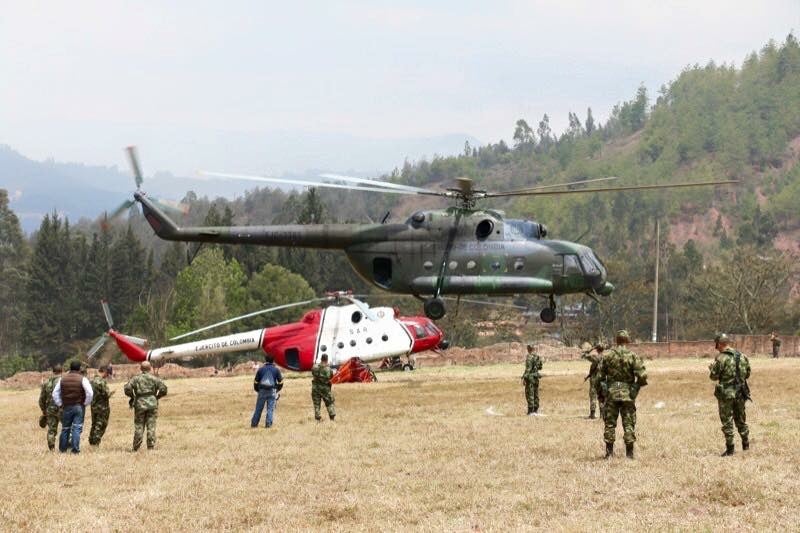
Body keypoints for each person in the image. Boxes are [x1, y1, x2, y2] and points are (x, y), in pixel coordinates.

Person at [598, 330, 647, 459]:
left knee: (609, 423)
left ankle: (609, 454)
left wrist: (605, 391)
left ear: (616, 340)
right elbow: (643, 376)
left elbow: (600, 378)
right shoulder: (632, 356)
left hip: (611, 394)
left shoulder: (607, 356)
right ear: (628, 340)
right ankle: (629, 455)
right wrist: (634, 389)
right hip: (627, 395)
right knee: (629, 423)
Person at [710, 333, 751, 456]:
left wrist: (712, 368)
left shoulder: (721, 358)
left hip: (726, 394)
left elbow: (714, 376)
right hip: (740, 393)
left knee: (727, 421)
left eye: (716, 344)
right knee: (741, 419)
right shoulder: (742, 356)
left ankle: (730, 449)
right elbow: (747, 374)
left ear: (719, 344)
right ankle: (745, 444)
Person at [124, 361, 168, 451]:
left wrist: (133, 396)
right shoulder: (154, 378)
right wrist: (156, 397)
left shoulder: (136, 379)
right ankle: (150, 447)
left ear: (141, 369)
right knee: (151, 425)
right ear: (150, 368)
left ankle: (136, 447)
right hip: (152, 404)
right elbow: (164, 389)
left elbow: (127, 388)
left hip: (140, 404)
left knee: (139, 426)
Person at [52, 360, 94, 454]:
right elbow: (90, 393)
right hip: (79, 406)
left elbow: (55, 393)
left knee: (65, 428)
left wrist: (60, 404)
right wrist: (85, 403)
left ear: (70, 368)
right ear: (79, 368)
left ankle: (62, 450)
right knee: (77, 428)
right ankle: (75, 450)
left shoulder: (62, 379)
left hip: (66, 407)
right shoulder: (82, 379)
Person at [251, 355, 284, 428]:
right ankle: (268, 425)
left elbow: (256, 382)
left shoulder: (260, 369)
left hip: (262, 391)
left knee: (258, 408)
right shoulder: (276, 370)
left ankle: (254, 424)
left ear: (265, 360)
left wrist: (257, 390)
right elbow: (281, 382)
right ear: (273, 361)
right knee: (270, 409)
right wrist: (277, 389)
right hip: (272, 391)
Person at [38, 364, 63, 451]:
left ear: (53, 372)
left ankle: (52, 448)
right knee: (66, 428)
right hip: (62, 408)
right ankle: (65, 446)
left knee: (51, 430)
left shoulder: (46, 383)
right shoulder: (64, 381)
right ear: (62, 371)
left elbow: (41, 399)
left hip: (50, 409)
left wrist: (44, 410)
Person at [89, 366, 113, 446]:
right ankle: (95, 442)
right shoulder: (101, 382)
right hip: (102, 407)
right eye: (107, 373)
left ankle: (91, 440)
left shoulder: (91, 381)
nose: (107, 375)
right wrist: (111, 393)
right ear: (104, 371)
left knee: (94, 424)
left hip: (93, 406)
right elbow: (106, 394)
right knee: (101, 424)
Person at [582, 343, 606, 419]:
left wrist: (592, 348)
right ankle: (602, 414)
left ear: (597, 349)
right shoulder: (606, 358)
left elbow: (584, 355)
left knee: (593, 396)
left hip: (594, 380)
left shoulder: (595, 357)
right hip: (603, 379)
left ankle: (592, 414)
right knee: (601, 396)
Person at [311, 354, 336, 422]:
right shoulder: (328, 369)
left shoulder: (314, 367)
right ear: (327, 359)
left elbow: (313, 373)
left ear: (321, 359)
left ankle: (318, 418)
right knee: (329, 402)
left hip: (315, 388)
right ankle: (332, 418)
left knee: (316, 404)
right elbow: (331, 377)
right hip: (325, 388)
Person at [521, 343, 543, 415]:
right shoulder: (537, 357)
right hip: (536, 377)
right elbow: (540, 367)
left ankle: (530, 411)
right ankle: (536, 410)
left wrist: (524, 378)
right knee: (536, 394)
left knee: (529, 394)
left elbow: (528, 369)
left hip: (530, 378)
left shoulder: (529, 357)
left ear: (528, 349)